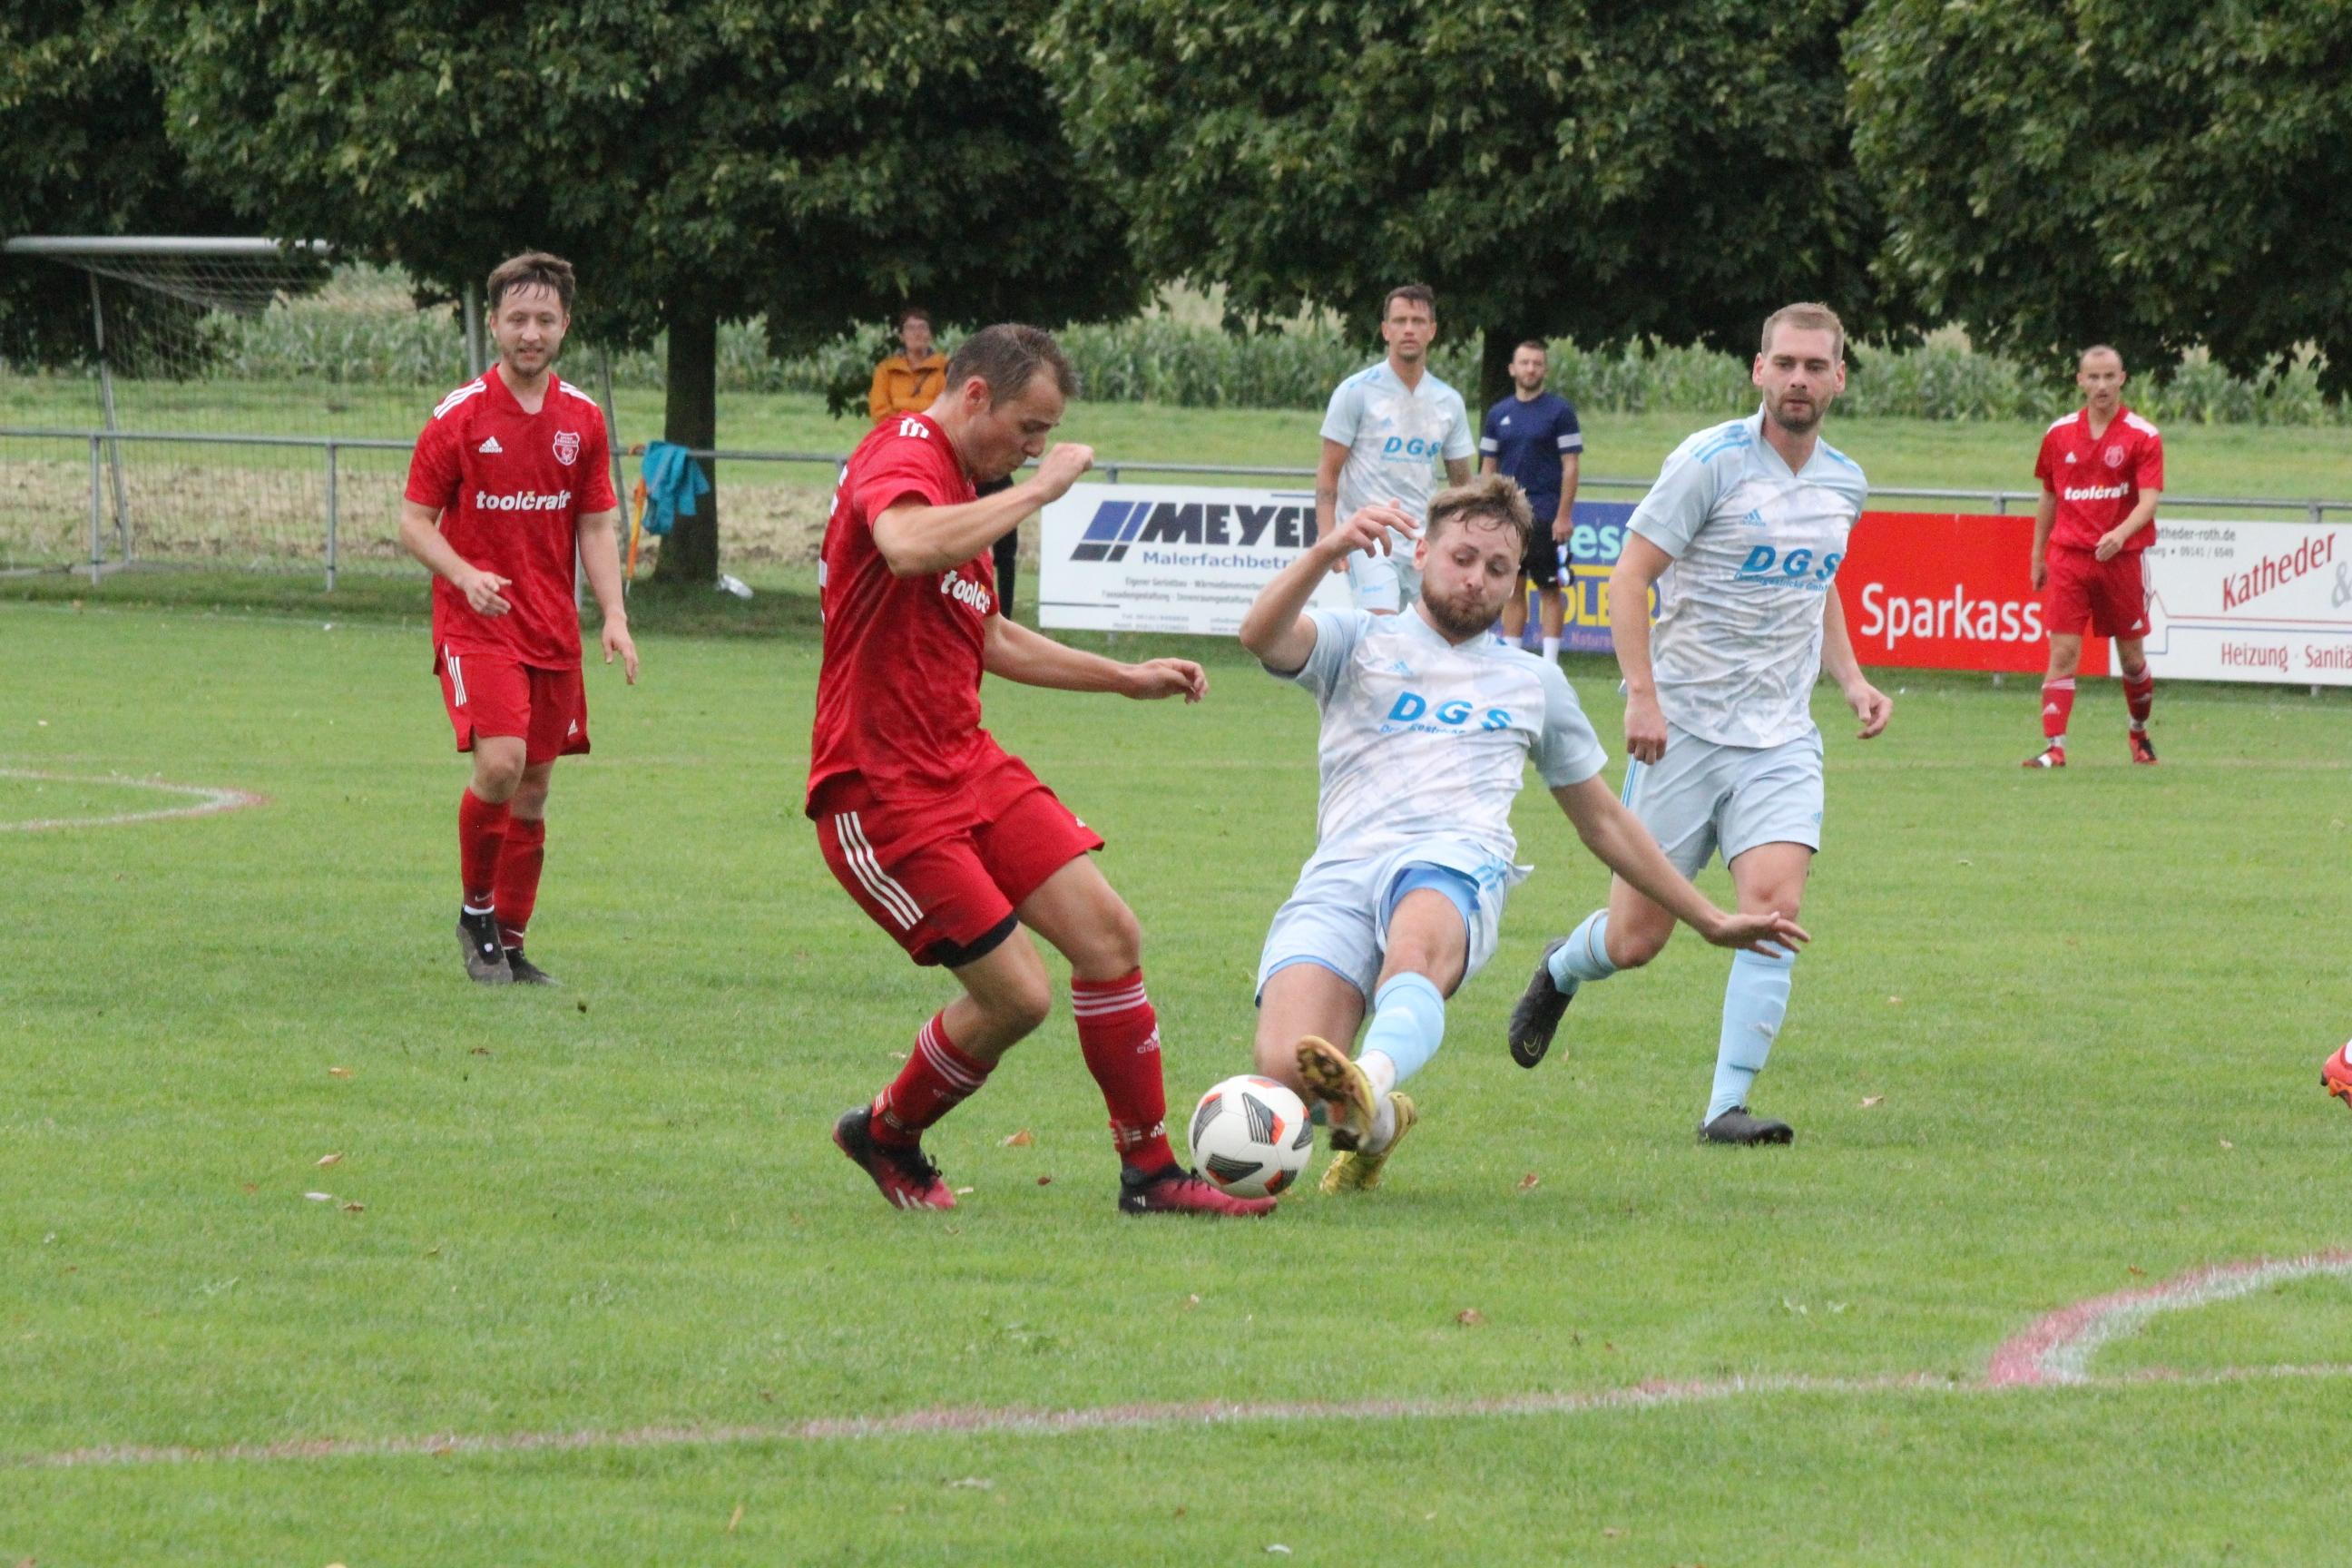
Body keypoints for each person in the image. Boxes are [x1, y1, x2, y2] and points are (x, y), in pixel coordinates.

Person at [814, 323, 1272, 1218]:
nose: (1034, 450)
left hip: (966, 763)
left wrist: (1124, 678)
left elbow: (986, 635)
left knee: (1109, 937)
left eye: (1045, 438)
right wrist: (1041, 492)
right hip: (882, 788)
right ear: (975, 395)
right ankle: (887, 1132)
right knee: (1018, 999)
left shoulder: (965, 489)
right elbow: (905, 545)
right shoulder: (903, 449)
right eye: (1029, 428)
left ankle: (1151, 1174)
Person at [1238, 475, 1807, 1193]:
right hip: (1342, 872)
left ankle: (1372, 1077)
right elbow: (1259, 635)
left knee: (1416, 942)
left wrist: (1708, 918)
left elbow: (1604, 820)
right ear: (1422, 553)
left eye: (1498, 568)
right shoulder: (1357, 640)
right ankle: (1378, 1123)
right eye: (1463, 558)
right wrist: (1327, 551)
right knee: (1285, 1069)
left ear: (1514, 584)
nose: (1477, 579)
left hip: (1454, 863)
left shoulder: (1532, 683)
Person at [1505, 302, 1891, 1146]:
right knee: (1635, 940)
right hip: (1682, 731)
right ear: (1759, 371)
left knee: (1775, 906)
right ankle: (1563, 966)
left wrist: (1852, 679)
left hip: (1781, 738)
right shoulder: (1708, 463)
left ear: (1838, 378)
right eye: (1784, 364)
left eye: (1814, 366)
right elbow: (1630, 576)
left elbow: (1818, 580)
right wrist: (1641, 695)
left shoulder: (1845, 482)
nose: (1798, 380)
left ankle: (1726, 1107)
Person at [398, 250, 637, 988]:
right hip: (478, 624)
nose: (530, 333)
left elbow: (595, 525)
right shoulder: (460, 416)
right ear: (495, 325)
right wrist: (465, 575)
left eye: (545, 319)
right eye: (517, 319)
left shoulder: (582, 419)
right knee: (499, 764)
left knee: (533, 788)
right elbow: (413, 522)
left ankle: (510, 940)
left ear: (565, 325)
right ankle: (476, 914)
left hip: (551, 628)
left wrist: (614, 615)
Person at [2024, 346, 2164, 768]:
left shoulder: (2143, 435)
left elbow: (2149, 501)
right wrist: (2038, 555)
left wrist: (2119, 535)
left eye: (2109, 377)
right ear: (2080, 381)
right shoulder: (2059, 433)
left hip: (2122, 559)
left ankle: (2138, 732)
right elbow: (2049, 496)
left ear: (2122, 379)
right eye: (2093, 377)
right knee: (2063, 654)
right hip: (2070, 558)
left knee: (2132, 659)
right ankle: (2055, 747)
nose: (2101, 385)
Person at [1315, 284, 1475, 614]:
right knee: (1381, 628)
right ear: (1386, 330)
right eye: (1400, 321)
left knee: (1420, 636)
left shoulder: (1449, 402)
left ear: (1432, 331)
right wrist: (1328, 538)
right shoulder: (1355, 392)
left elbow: (1462, 486)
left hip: (1423, 543)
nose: (1409, 329)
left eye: (1418, 321)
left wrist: (1466, 540)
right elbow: (1329, 472)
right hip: (1369, 540)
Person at [1478, 339, 1583, 659]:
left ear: (1545, 370)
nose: (1531, 369)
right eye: (1524, 363)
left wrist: (1563, 515)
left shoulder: (1560, 412)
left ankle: (1550, 662)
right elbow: (1488, 467)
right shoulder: (1498, 414)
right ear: (1512, 369)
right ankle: (1512, 658)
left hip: (1546, 515)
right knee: (1512, 587)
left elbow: (1571, 465)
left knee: (1549, 588)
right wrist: (1486, 510)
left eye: (1537, 363)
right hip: (1508, 516)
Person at [867, 307, 947, 425]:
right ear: (901, 336)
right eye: (910, 328)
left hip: (933, 432)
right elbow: (879, 412)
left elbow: (946, 410)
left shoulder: (946, 368)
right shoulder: (886, 370)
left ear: (931, 335)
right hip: (895, 433)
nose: (917, 333)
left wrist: (899, 403)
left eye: (922, 327)